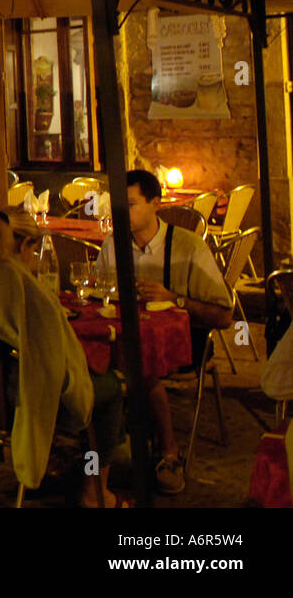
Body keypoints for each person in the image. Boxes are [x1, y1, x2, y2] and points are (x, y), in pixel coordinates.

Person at [0, 209, 127, 507]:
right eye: (34, 248)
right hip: (15, 404)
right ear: (23, 245)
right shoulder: (25, 289)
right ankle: (95, 492)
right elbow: (56, 363)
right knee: (112, 389)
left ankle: (67, 466)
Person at [93, 169, 232, 495]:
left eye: (130, 204)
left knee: (140, 367)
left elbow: (225, 316)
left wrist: (176, 298)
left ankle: (170, 452)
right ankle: (101, 450)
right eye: (117, 205)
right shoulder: (113, 244)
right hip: (128, 337)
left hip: (186, 340)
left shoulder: (188, 247)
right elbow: (99, 293)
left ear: (156, 203)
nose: (122, 213)